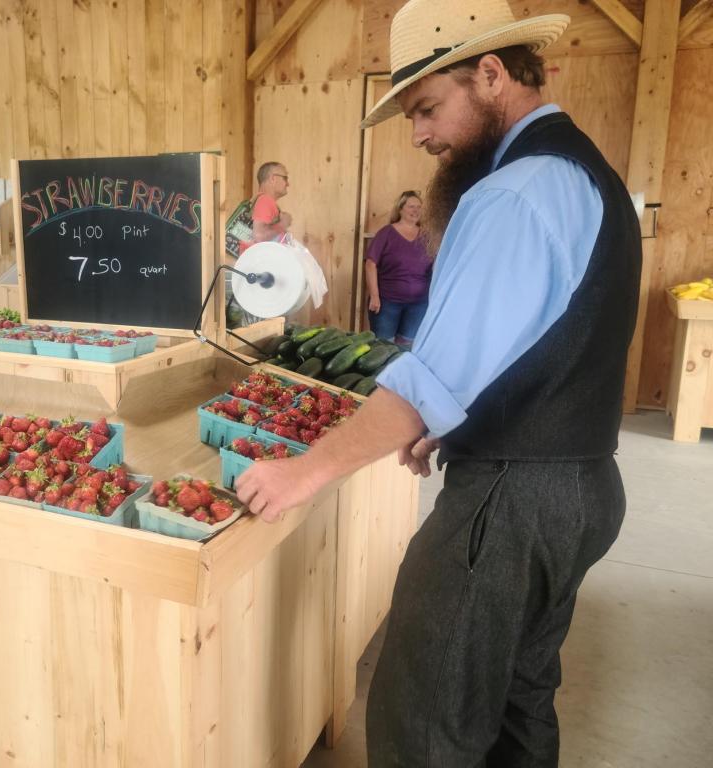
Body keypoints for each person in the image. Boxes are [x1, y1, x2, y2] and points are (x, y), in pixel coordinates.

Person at [235, 1, 641, 766]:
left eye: (426, 108)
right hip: (580, 486)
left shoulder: (516, 193)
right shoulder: (585, 175)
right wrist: (454, 423)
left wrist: (304, 471)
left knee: (425, 720)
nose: (419, 134)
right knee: (519, 705)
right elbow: (536, 342)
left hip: (512, 506)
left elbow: (437, 372)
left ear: (491, 74)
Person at [225, 162, 293, 326]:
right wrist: (282, 225)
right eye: (285, 178)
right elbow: (260, 235)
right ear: (272, 178)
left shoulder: (262, 201)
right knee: (253, 330)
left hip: (250, 275)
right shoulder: (265, 202)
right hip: (253, 276)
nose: (288, 183)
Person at [366, 190, 432, 346]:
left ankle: (399, 372)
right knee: (383, 347)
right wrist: (375, 296)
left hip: (418, 304)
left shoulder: (428, 236)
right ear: (400, 209)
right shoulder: (386, 233)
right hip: (387, 302)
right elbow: (370, 264)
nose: (415, 210)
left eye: (419, 207)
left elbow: (435, 267)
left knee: (407, 347)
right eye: (411, 206)